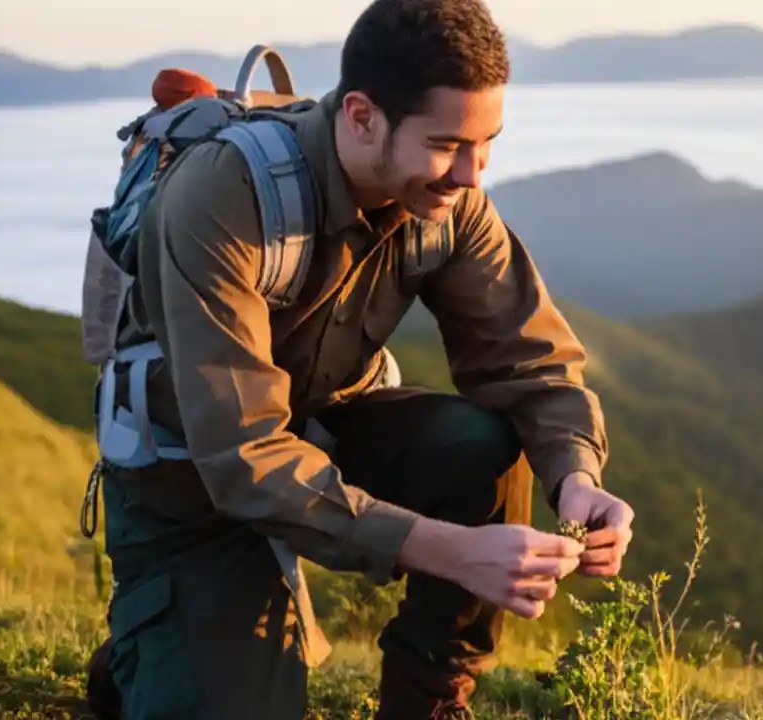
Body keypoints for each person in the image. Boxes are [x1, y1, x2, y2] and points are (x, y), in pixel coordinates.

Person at [90, 1, 634, 717]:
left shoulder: (449, 202)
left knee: (489, 447)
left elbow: (531, 362)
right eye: (447, 144)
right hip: (190, 479)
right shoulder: (221, 197)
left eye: (487, 143)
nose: (471, 174)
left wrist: (577, 477)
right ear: (360, 116)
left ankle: (427, 702)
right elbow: (243, 459)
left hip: (323, 427)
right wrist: (450, 550)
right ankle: (151, 649)